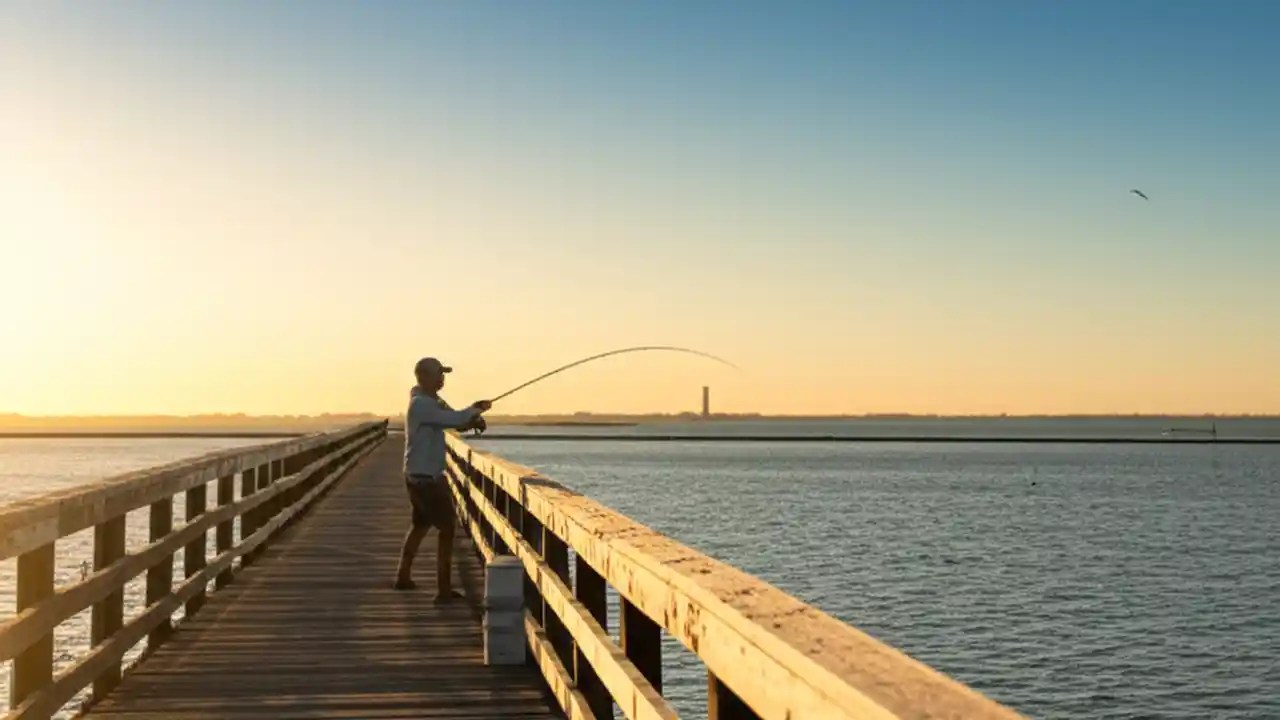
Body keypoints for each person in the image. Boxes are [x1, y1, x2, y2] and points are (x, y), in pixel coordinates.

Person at [394, 357, 491, 600]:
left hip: (417, 475)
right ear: (424, 377)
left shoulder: (432, 402)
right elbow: (455, 419)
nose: (442, 378)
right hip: (426, 479)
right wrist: (476, 407)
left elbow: (457, 422)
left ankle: (403, 576)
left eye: (443, 374)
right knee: (447, 529)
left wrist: (472, 419)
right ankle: (443, 590)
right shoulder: (421, 404)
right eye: (439, 374)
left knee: (420, 525)